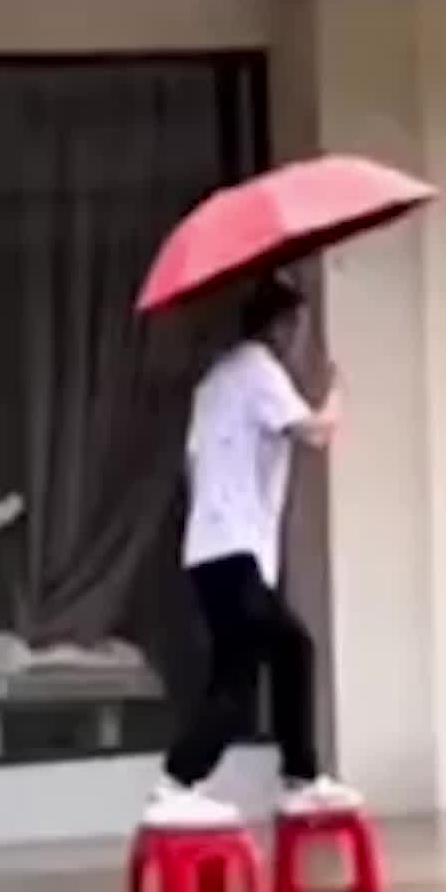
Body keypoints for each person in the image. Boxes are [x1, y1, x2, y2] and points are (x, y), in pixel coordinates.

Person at [144, 276, 365, 829]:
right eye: (299, 327)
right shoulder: (257, 370)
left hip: (211, 551)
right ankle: (289, 777)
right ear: (283, 326)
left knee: (239, 679)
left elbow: (195, 464)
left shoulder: (216, 380)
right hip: (234, 550)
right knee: (292, 649)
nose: (300, 340)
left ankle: (188, 781)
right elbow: (313, 434)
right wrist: (336, 394)